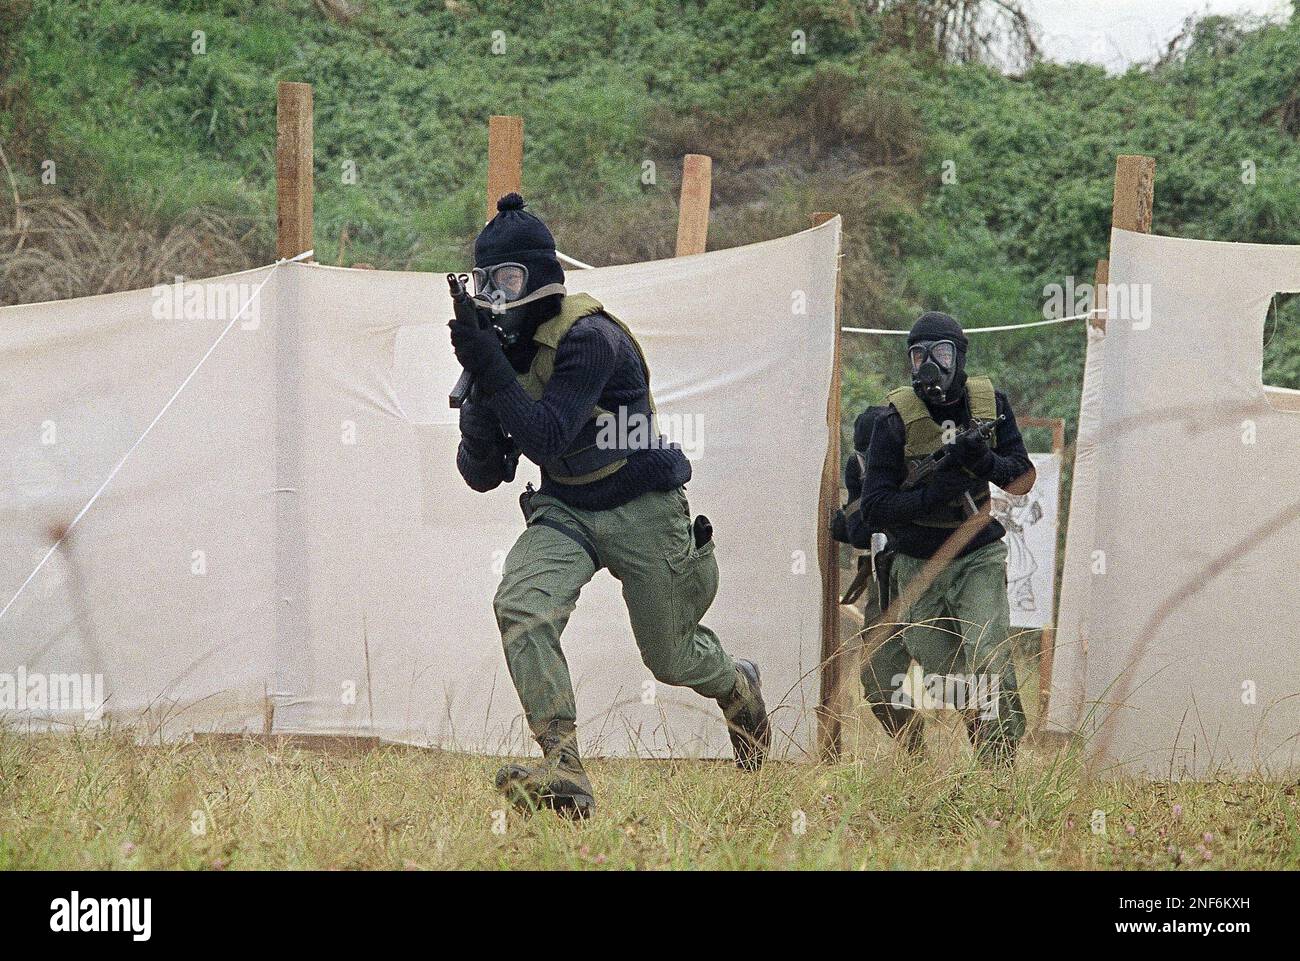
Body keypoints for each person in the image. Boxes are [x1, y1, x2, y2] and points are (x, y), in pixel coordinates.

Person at [449, 194, 769, 819]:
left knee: (670, 657)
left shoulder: (591, 338)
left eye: (506, 279)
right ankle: (563, 766)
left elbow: (547, 435)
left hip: (641, 502)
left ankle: (738, 685)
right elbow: (482, 477)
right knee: (521, 606)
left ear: (541, 279)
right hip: (567, 507)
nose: (495, 295)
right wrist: (480, 407)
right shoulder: (504, 348)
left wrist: (491, 368)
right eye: (484, 282)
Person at [859, 312, 1034, 765]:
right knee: (942, 673)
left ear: (959, 357)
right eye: (919, 355)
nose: (930, 365)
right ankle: (977, 726)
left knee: (988, 653)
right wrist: (931, 494)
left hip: (976, 553)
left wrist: (984, 462)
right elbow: (874, 507)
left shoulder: (989, 404)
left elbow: (1022, 478)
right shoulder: (893, 421)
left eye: (941, 353)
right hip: (918, 562)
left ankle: (999, 764)